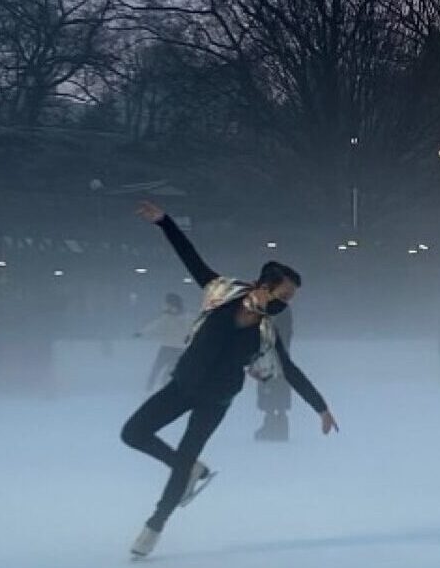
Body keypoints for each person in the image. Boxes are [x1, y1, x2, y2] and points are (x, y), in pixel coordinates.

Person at [121, 201, 339, 559]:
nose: (285, 304)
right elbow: (189, 256)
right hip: (183, 385)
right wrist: (164, 222)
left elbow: (290, 370)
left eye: (289, 300)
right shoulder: (221, 292)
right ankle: (189, 469)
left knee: (187, 454)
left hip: (215, 400)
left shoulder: (267, 330)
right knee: (133, 433)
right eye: (283, 296)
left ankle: (155, 525)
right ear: (263, 286)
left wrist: (321, 408)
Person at [135, 293, 193, 391]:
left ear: (175, 304)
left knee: (170, 369)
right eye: (167, 304)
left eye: (169, 304)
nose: (167, 306)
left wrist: (190, 339)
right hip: (168, 347)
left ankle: (164, 386)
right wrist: (142, 333)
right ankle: (149, 387)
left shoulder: (187, 318)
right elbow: (155, 326)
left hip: (178, 348)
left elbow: (193, 330)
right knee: (157, 368)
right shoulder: (167, 317)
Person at [253, 305, 293, 441]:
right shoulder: (283, 309)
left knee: (270, 388)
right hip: (279, 357)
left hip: (270, 357)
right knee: (276, 388)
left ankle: (274, 425)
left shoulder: (270, 309)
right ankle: (278, 425)